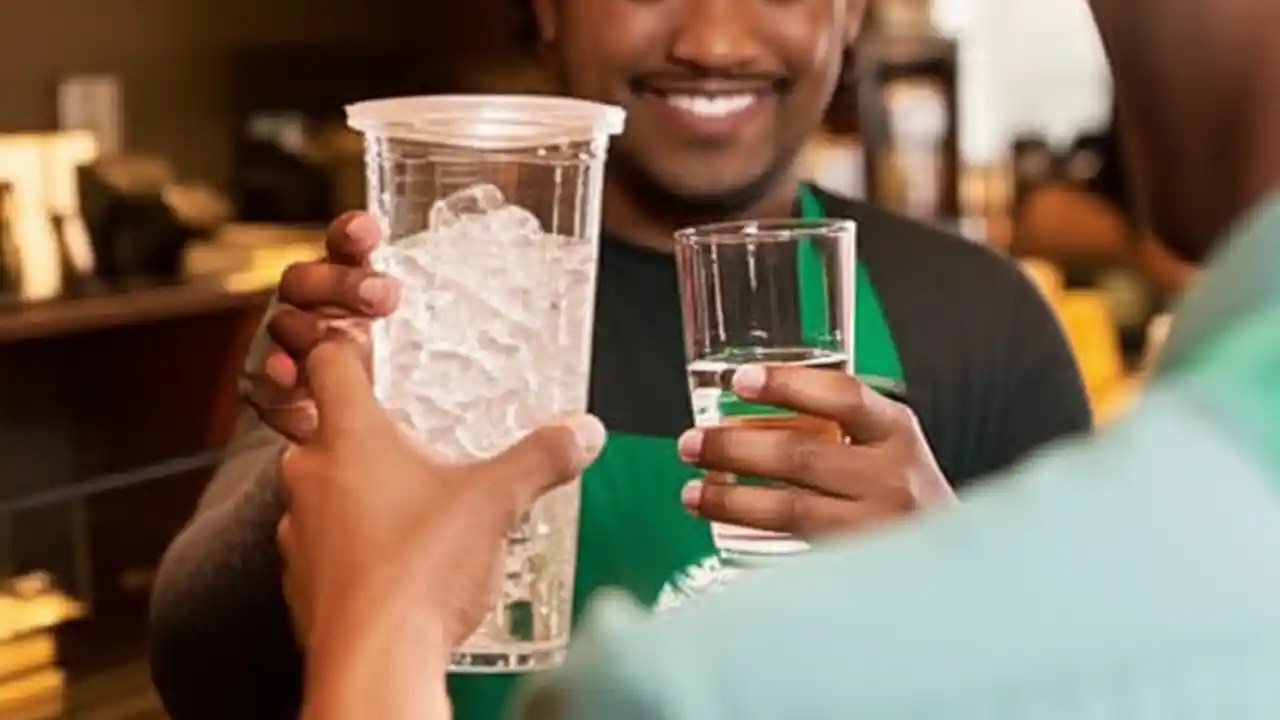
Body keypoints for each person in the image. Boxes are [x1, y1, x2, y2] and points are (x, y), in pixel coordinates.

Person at [287, 0, 1280, 714]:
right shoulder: (412, 300)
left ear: (851, 15)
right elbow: (207, 647)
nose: (713, 38)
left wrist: (937, 578)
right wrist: (292, 442)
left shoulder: (977, 315)